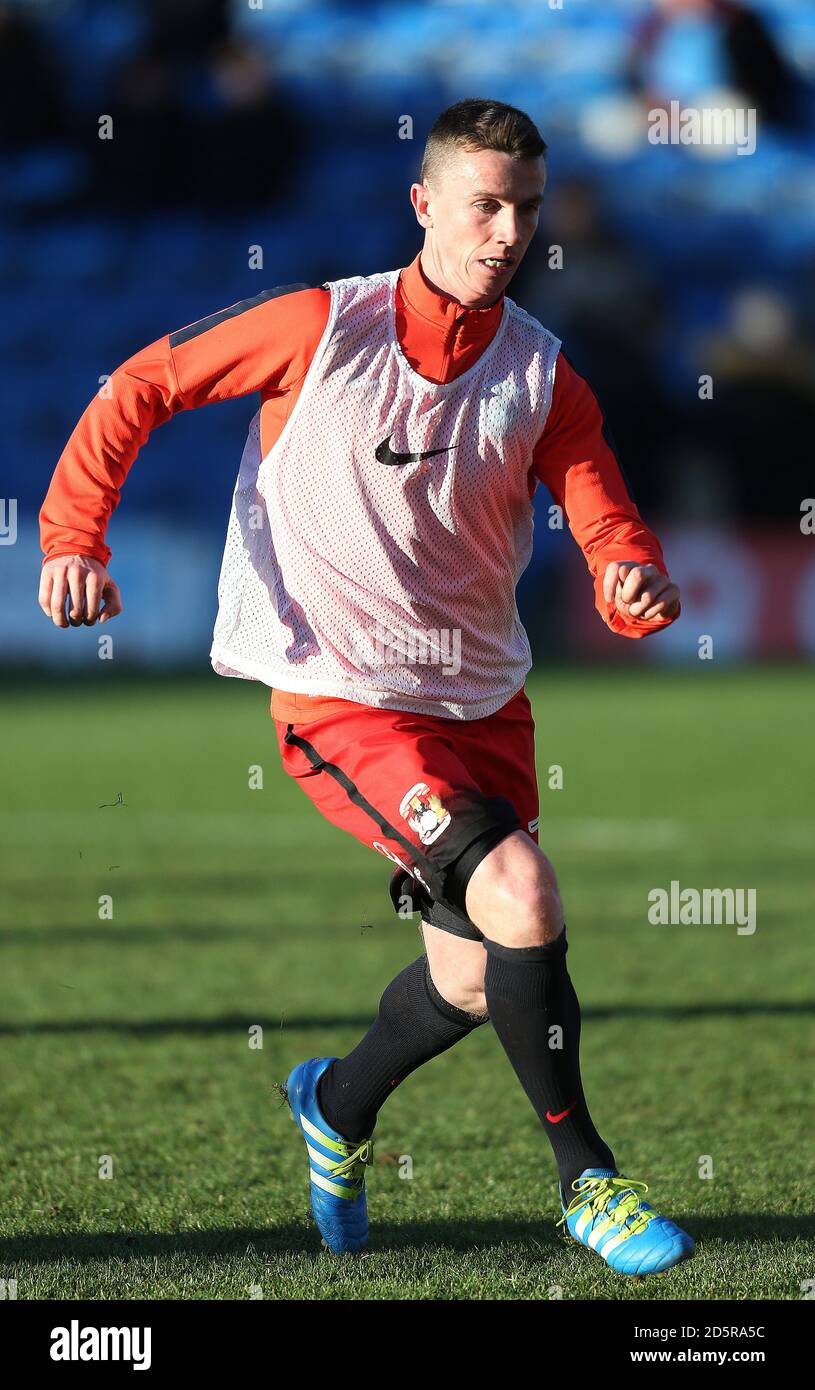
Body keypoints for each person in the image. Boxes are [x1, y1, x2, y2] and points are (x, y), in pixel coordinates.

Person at [38, 97, 694, 1277]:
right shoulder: (317, 324)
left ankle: (334, 1104)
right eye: (485, 205)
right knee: (522, 893)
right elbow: (140, 383)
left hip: (482, 702)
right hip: (339, 697)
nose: (506, 232)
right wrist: (74, 535)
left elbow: (600, 508)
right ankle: (587, 1178)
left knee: (471, 971)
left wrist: (626, 573)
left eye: (526, 210)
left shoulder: (542, 373)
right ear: (424, 204)